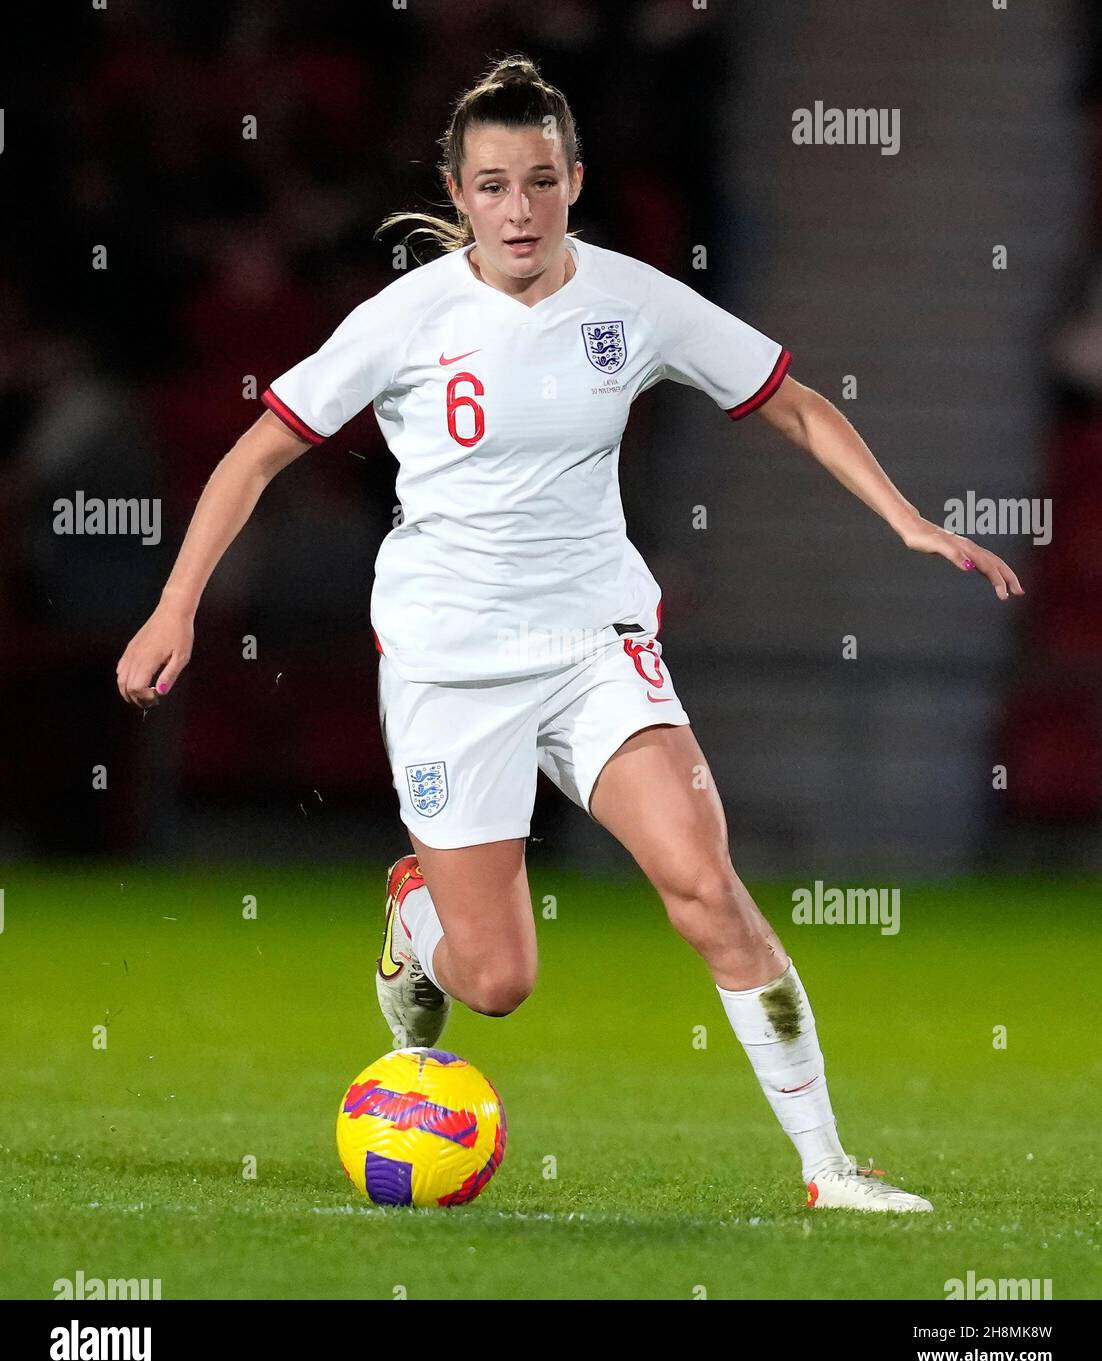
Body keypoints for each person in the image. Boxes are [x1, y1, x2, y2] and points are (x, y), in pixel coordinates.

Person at [117, 55, 1024, 1213]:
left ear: (574, 181)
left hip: (596, 642)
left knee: (704, 883)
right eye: (492, 185)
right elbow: (258, 451)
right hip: (449, 661)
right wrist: (176, 603)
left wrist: (906, 521)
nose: (518, 209)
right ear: (457, 192)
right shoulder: (406, 316)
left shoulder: (634, 301)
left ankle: (828, 1166)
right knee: (494, 983)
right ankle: (416, 918)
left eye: (540, 181)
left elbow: (791, 398)